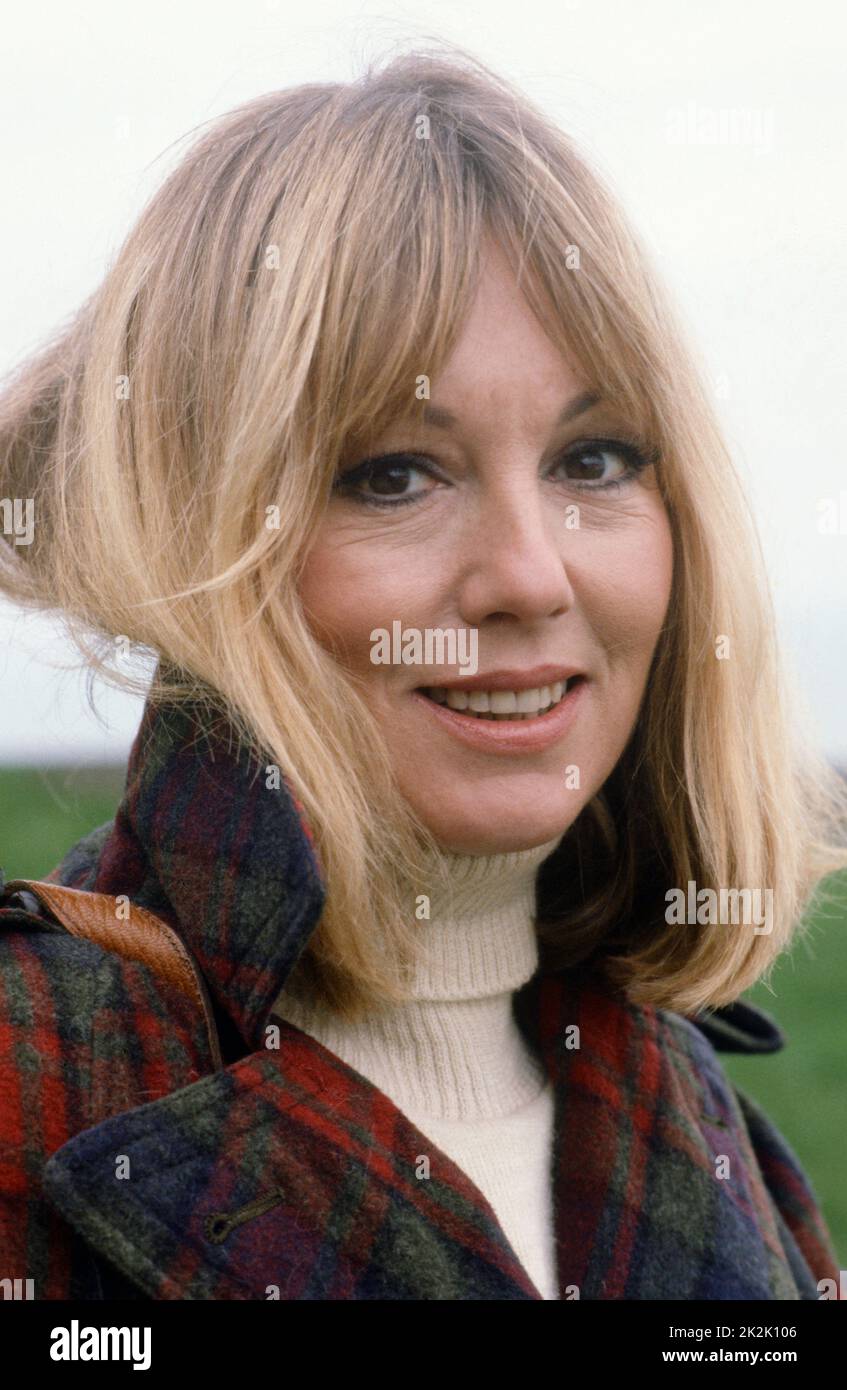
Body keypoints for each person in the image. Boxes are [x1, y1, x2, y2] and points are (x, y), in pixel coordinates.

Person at [0, 44, 845, 1302]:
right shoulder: (39, 1086)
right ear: (185, 528)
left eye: (595, 459)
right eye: (393, 472)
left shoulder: (714, 1134)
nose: (531, 575)